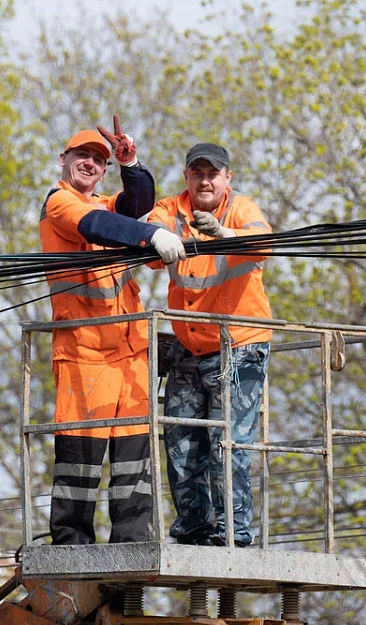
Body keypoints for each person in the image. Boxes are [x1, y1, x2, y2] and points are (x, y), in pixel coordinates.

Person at [39, 116, 187, 545]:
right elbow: (97, 226)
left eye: (98, 159)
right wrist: (152, 235)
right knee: (80, 455)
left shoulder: (105, 204)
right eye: (82, 155)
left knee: (134, 454)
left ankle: (132, 541)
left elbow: (135, 203)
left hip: (129, 351)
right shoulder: (60, 204)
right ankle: (71, 543)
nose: (90, 163)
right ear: (63, 159)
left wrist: (131, 165)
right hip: (84, 351)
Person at [146, 142, 272, 547]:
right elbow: (147, 241)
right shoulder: (171, 210)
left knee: (226, 446)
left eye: (212, 174)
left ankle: (232, 533)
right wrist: (157, 237)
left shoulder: (241, 209)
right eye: (197, 173)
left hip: (239, 347)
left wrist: (224, 235)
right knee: (180, 443)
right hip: (189, 345)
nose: (204, 181)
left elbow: (263, 242)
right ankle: (193, 529)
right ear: (186, 176)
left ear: (226, 178)